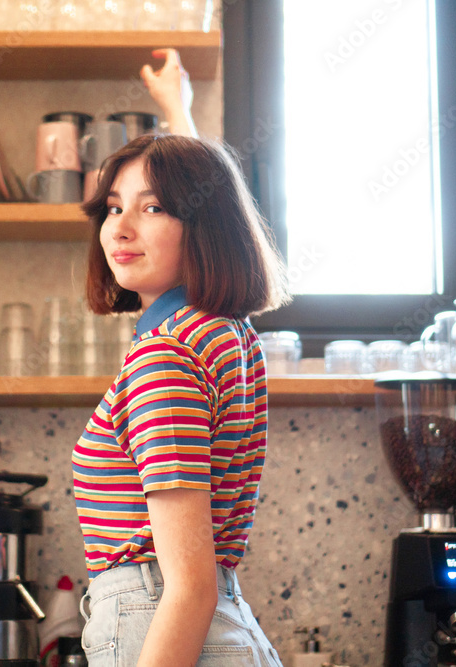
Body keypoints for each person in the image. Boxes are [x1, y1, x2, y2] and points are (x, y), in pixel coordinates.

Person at [70, 123, 289, 663]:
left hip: (157, 613)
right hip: (214, 622)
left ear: (205, 227)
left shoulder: (164, 354)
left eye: (152, 208)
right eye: (114, 208)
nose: (119, 230)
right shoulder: (228, 334)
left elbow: (189, 586)